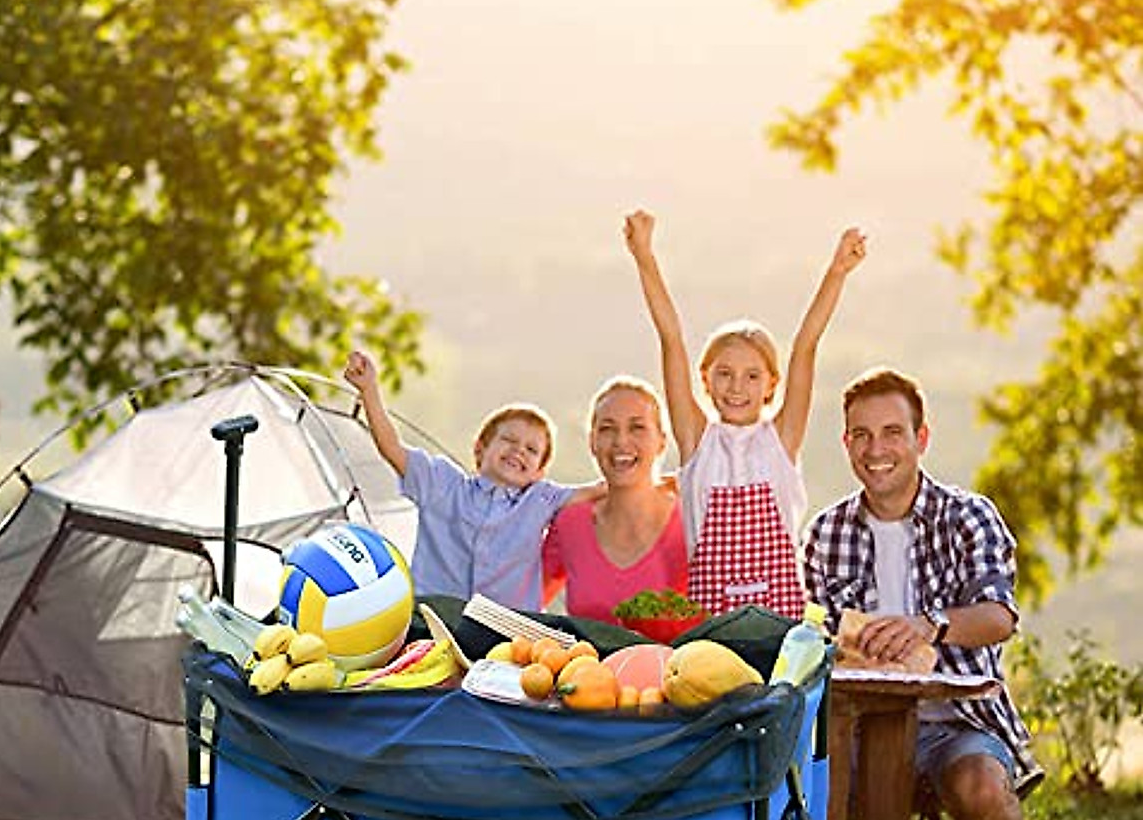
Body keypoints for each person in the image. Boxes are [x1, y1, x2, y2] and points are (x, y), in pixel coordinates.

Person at [802, 366, 1099, 820]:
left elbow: (998, 616)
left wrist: (929, 624)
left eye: (891, 432)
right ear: (846, 445)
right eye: (861, 435)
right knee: (806, 791)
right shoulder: (826, 532)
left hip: (955, 722)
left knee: (984, 791)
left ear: (921, 438)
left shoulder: (968, 517)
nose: (876, 449)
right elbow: (816, 634)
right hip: (855, 727)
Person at [624, 210, 866, 619]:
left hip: (779, 622)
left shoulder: (781, 440)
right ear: (705, 379)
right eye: (724, 374)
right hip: (710, 626)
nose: (737, 387)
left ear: (772, 383)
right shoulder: (697, 440)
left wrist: (837, 272)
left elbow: (806, 345)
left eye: (752, 375)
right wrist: (644, 256)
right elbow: (671, 339)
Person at [344, 349, 599, 610]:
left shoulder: (541, 498)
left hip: (505, 633)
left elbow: (597, 492)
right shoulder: (443, 483)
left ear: (539, 472)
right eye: (509, 440)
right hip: (431, 619)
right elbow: (392, 448)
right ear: (480, 450)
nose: (519, 450)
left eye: (531, 450)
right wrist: (369, 391)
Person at [542, 376, 687, 621]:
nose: (621, 441)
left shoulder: (691, 521)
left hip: (681, 660)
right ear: (593, 442)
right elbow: (519, 605)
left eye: (637, 427)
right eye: (608, 429)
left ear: (661, 441)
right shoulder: (570, 524)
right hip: (587, 660)